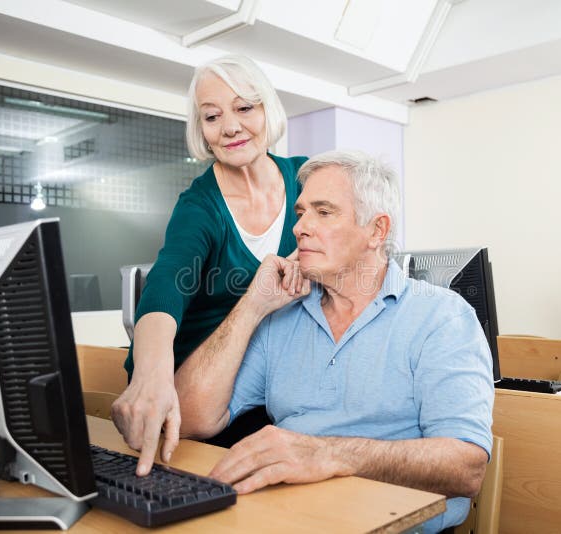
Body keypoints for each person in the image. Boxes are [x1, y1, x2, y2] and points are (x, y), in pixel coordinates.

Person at [174, 150, 495, 533]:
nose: (300, 227)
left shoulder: (442, 317)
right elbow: (188, 420)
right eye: (300, 212)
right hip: (287, 519)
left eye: (323, 212)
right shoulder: (281, 319)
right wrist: (252, 305)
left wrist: (327, 454)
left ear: (377, 231)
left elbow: (466, 467)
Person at [111, 55, 307, 475]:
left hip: (264, 383)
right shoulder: (200, 205)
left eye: (244, 108)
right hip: (195, 384)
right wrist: (151, 374)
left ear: (267, 109)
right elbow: (166, 282)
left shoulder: (305, 179)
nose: (230, 127)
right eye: (212, 116)